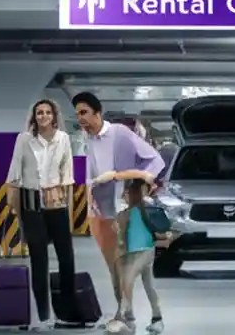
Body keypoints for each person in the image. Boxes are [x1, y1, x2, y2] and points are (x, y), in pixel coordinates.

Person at [71, 91, 165, 322]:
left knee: (127, 268)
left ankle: (126, 314)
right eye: (77, 114)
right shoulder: (84, 141)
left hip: (125, 211)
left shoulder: (119, 134)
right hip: (99, 215)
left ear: (97, 113)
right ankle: (125, 313)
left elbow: (156, 160)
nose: (80, 118)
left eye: (84, 112)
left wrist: (138, 180)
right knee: (114, 269)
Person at [5, 98, 77, 332]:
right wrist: (14, 208)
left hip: (56, 202)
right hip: (31, 203)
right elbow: (14, 174)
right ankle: (43, 316)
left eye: (47, 112)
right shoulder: (24, 139)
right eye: (39, 113)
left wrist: (68, 206)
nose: (43, 116)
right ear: (34, 117)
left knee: (66, 258)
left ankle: (66, 313)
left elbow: (67, 174)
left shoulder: (63, 139)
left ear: (54, 116)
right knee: (39, 260)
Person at [104, 178, 169, 334]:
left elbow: (121, 237)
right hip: (141, 250)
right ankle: (156, 318)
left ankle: (124, 318)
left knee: (127, 280)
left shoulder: (140, 210)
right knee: (147, 284)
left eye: (128, 193)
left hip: (142, 251)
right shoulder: (131, 211)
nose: (125, 195)